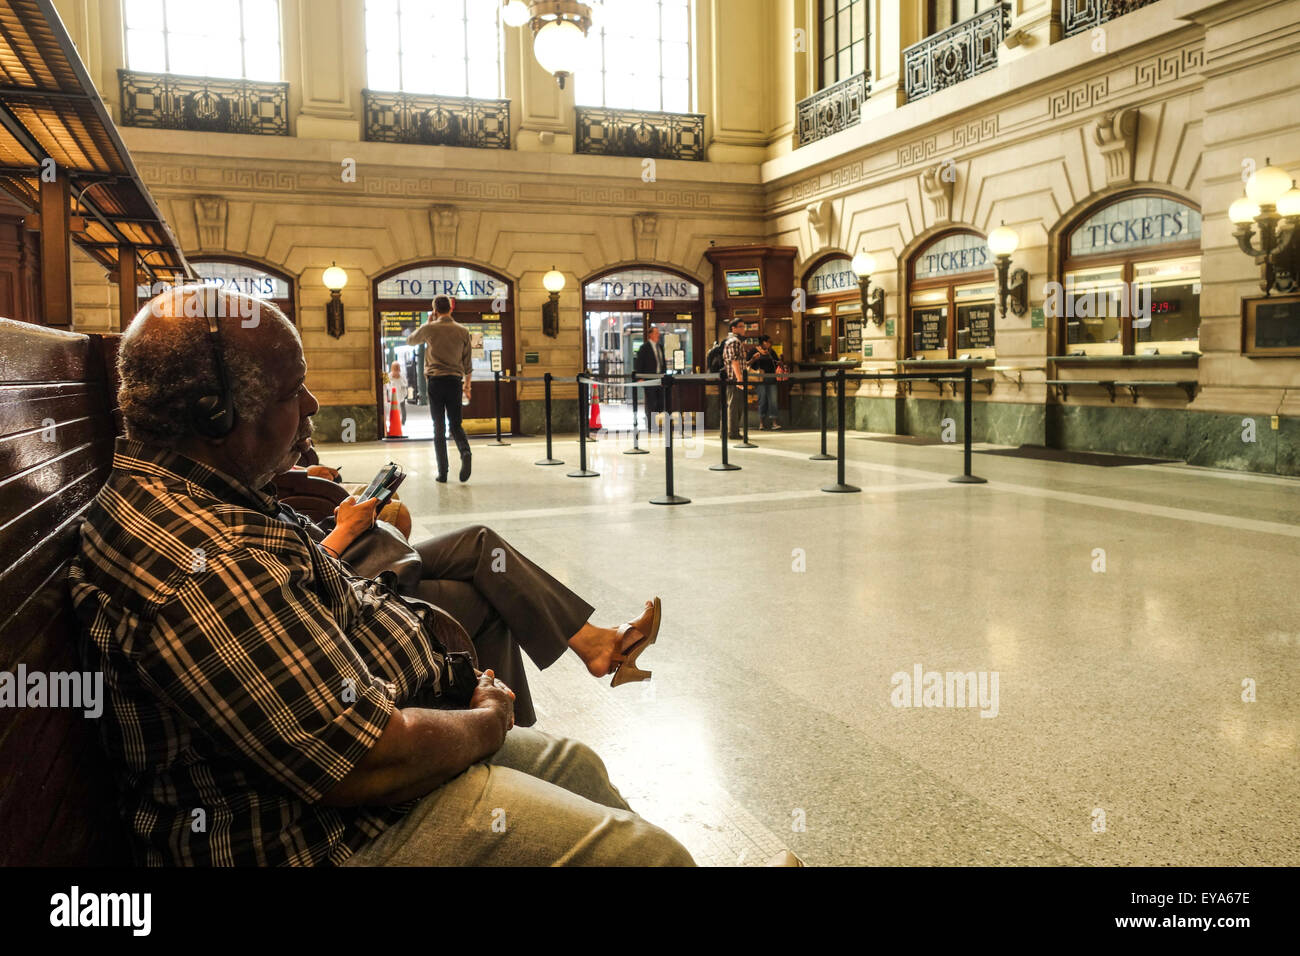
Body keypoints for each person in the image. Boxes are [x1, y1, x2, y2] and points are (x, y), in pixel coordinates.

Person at [69, 287, 693, 867]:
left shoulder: (209, 493)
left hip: (375, 732)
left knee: (574, 762)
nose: (312, 405)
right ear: (216, 414)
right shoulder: (201, 564)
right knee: (641, 854)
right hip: (324, 836)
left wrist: (456, 682)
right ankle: (593, 652)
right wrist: (486, 718)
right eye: (295, 390)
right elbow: (359, 762)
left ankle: (591, 648)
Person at [405, 296, 472, 483]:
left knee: (438, 427)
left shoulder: (430, 328)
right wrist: (467, 385)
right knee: (456, 424)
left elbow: (410, 340)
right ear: (451, 308)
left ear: (434, 310)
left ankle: (443, 472)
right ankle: (465, 452)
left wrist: (427, 323)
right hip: (454, 381)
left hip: (435, 381)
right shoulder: (463, 331)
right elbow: (467, 363)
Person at [633, 325, 666, 433]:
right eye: (656, 333)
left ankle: (659, 423)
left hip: (660, 379)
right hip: (649, 379)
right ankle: (651, 426)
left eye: (658, 333)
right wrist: (640, 377)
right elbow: (639, 363)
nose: (658, 335)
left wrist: (664, 377)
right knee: (651, 402)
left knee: (660, 402)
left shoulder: (660, 347)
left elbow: (662, 363)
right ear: (650, 335)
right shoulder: (644, 348)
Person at [747, 335, 781, 430]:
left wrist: (779, 363)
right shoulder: (753, 351)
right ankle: (761, 423)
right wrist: (754, 359)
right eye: (769, 342)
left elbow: (777, 361)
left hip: (771, 378)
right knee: (762, 400)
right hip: (759, 379)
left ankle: (774, 423)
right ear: (763, 342)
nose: (770, 343)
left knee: (773, 400)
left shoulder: (771, 352)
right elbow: (746, 364)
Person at [722, 318, 747, 440]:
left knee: (732, 405)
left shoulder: (732, 341)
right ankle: (733, 432)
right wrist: (739, 379)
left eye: (744, 326)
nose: (744, 329)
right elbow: (734, 361)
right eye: (741, 326)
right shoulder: (734, 341)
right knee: (734, 406)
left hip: (733, 377)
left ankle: (727, 431)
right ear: (734, 328)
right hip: (734, 378)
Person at [388, 359, 407, 425]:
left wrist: (402, 385)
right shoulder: (389, 376)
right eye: (394, 370)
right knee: (393, 408)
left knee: (402, 407)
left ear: (399, 370)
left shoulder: (402, 376)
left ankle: (403, 421)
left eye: (397, 370)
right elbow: (386, 385)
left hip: (401, 394)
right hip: (393, 395)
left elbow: (405, 384)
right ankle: (393, 420)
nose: (396, 372)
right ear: (392, 369)